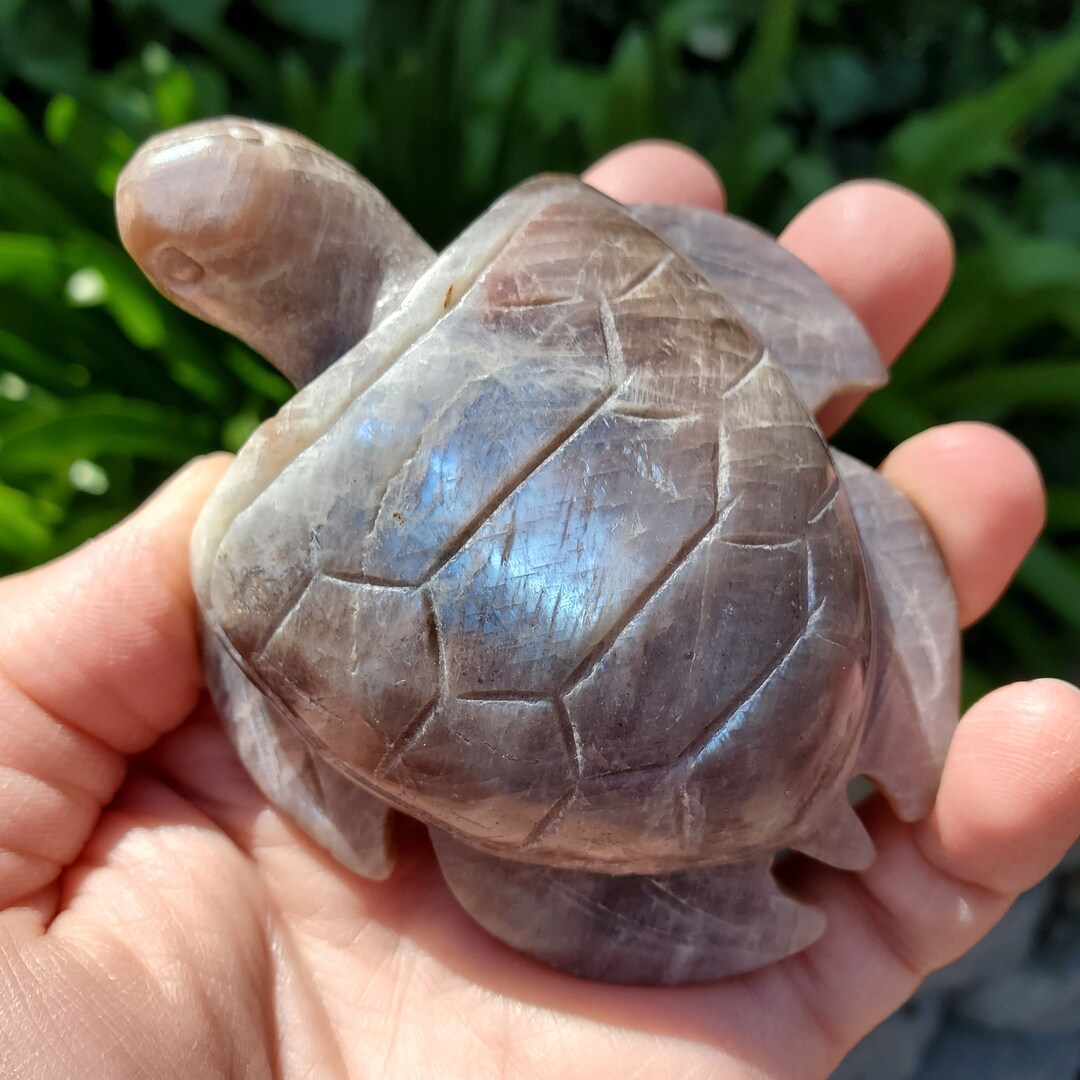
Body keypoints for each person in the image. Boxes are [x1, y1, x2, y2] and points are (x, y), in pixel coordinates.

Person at [0, 141, 1075, 1080]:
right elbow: (775, 324)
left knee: (509, 877)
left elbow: (325, 782)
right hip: (800, 614)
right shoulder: (557, 238)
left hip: (566, 815)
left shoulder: (247, 556)